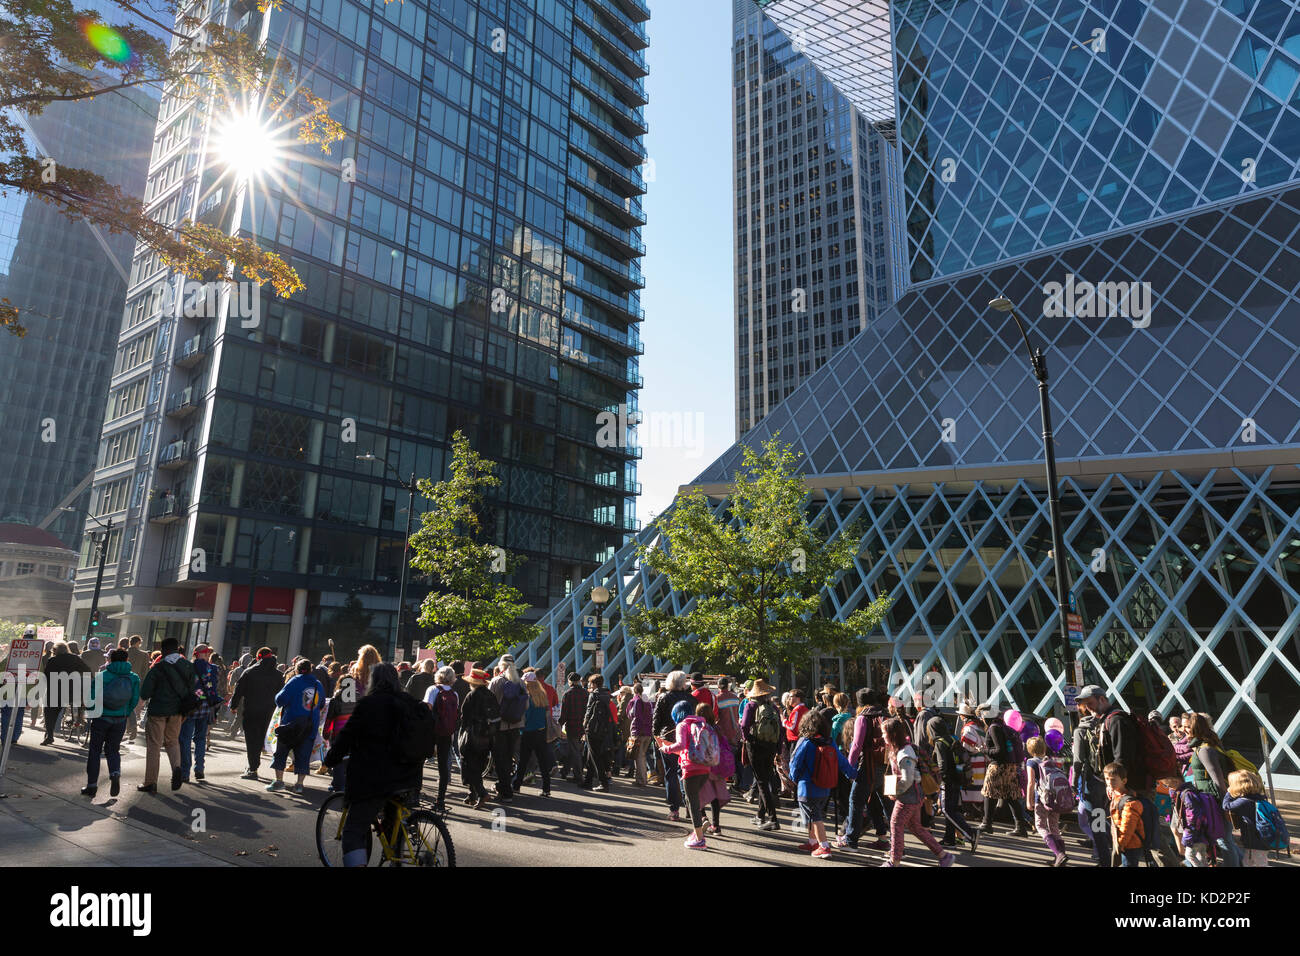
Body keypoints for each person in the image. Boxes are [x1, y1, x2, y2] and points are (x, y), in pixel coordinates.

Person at [321, 663, 425, 867]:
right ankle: (398, 858)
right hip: (409, 775)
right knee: (393, 821)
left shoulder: (369, 704)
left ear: (373, 680)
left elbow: (347, 736)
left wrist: (331, 759)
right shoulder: (410, 702)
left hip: (374, 777)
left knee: (354, 828)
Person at [881, 716, 955, 867]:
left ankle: (893, 862)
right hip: (914, 795)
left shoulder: (904, 753)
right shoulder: (901, 749)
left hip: (908, 797)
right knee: (916, 828)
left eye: (884, 733)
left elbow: (907, 780)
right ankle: (943, 856)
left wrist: (895, 791)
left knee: (895, 824)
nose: (882, 736)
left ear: (892, 734)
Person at [790, 708, 857, 859]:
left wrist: (793, 778)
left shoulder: (806, 741)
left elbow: (795, 763)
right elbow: (842, 762)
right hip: (825, 786)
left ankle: (824, 846)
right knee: (813, 814)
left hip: (807, 786)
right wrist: (853, 775)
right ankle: (813, 842)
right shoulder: (829, 741)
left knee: (814, 817)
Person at [136, 637, 195, 793]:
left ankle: (150, 782)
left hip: (158, 711)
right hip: (178, 712)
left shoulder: (158, 667)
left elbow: (146, 692)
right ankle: (176, 767)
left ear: (163, 650)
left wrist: (137, 709)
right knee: (173, 742)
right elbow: (195, 689)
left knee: (154, 746)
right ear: (177, 649)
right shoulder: (189, 666)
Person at [658, 699, 718, 850]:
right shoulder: (700, 724)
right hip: (705, 768)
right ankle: (697, 832)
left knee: (692, 804)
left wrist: (665, 749)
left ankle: (699, 839)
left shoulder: (682, 725)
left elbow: (680, 745)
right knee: (695, 802)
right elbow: (687, 749)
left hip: (691, 769)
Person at [81, 648, 140, 798]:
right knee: (113, 750)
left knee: (95, 750)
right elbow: (134, 700)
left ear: (110, 660)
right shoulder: (134, 678)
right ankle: (115, 773)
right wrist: (125, 712)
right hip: (120, 719)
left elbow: (91, 698)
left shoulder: (102, 676)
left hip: (101, 717)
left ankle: (92, 786)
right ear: (127, 660)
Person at [841, 689, 891, 849]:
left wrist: (849, 766)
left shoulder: (863, 718)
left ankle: (850, 840)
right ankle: (890, 841)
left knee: (855, 800)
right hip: (888, 766)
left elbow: (856, 745)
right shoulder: (886, 715)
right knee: (882, 804)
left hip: (869, 766)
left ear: (859, 703)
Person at [267, 659, 325, 793]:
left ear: (297, 669)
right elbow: (321, 704)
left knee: (281, 754)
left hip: (290, 725)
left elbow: (280, 700)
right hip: (309, 726)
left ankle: (279, 782)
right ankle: (299, 784)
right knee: (303, 756)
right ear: (311, 670)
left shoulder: (294, 681)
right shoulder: (318, 685)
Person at [229, 647, 282, 780]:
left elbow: (238, 690)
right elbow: (282, 693)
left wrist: (233, 705)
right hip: (269, 712)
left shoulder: (249, 672)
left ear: (258, 657)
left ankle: (253, 768)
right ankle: (255, 765)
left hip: (251, 710)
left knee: (251, 739)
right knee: (260, 738)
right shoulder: (277, 674)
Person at [929, 714, 978, 853]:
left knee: (947, 810)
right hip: (957, 779)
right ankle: (949, 839)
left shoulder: (939, 742)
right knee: (952, 810)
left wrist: (941, 781)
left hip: (948, 781)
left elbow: (942, 765)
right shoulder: (952, 738)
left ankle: (971, 833)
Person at [1073, 699, 1112, 866]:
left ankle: (1103, 857)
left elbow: (1078, 760)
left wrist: (1074, 781)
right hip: (1106, 779)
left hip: (1091, 781)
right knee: (1103, 818)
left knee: (1096, 822)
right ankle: (1107, 851)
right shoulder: (1105, 724)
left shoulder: (1080, 730)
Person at [979, 707, 1030, 836]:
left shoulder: (994, 728)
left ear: (986, 717)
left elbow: (999, 750)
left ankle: (987, 824)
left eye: (981, 717)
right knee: (1011, 796)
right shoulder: (1005, 727)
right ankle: (1020, 827)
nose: (981, 719)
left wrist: (983, 750)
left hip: (998, 767)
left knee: (989, 794)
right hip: (1011, 767)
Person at [740, 678, 782, 831]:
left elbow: (744, 725)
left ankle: (773, 819)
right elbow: (780, 728)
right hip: (770, 746)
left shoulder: (750, 705)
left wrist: (747, 739)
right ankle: (760, 815)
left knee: (762, 781)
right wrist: (778, 749)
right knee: (763, 779)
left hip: (755, 745)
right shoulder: (773, 707)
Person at [652, 670, 695, 821]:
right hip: (687, 740)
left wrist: (656, 738)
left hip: (668, 739)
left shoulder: (663, 697)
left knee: (670, 774)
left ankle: (674, 809)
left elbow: (656, 722)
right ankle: (690, 807)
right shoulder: (690, 698)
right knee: (684, 773)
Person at [178, 643, 220, 783]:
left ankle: (185, 772)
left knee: (185, 739)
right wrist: (206, 697)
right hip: (206, 707)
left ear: (195, 653)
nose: (207, 655)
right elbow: (213, 688)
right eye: (206, 653)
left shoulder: (188, 667)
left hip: (191, 706)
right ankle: (199, 767)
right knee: (200, 738)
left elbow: (186, 687)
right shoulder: (213, 668)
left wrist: (197, 695)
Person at [458, 666, 499, 809]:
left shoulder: (472, 695)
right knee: (479, 766)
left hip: (472, 737)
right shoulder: (491, 695)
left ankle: (482, 794)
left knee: (470, 767)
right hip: (487, 738)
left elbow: (464, 716)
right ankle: (472, 795)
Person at [1025, 735, 1069, 865]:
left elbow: (1031, 783)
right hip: (1055, 798)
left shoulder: (1031, 762)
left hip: (1042, 799)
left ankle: (1059, 854)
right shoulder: (1051, 761)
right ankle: (1061, 856)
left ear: (1030, 750)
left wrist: (1029, 800)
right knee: (1054, 827)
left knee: (1040, 826)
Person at [489, 654, 527, 800]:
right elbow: (526, 705)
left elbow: (489, 704)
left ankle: (506, 791)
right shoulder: (521, 683)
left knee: (500, 759)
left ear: (501, 666)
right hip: (516, 725)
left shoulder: (496, 681)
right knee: (509, 757)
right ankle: (504, 785)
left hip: (499, 725)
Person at [422, 665, 459, 811]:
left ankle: (414, 794)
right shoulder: (455, 694)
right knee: (443, 767)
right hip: (446, 733)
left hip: (431, 732)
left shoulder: (432, 689)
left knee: (419, 761)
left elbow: (427, 708)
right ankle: (440, 800)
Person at [512, 671, 554, 797]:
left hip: (528, 732)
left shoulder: (528, 698)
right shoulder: (542, 695)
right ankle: (546, 789)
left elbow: (525, 717)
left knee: (523, 762)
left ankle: (517, 786)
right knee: (543, 762)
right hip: (540, 732)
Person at [41, 641, 90, 744]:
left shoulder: (52, 660)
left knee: (49, 712)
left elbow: (46, 676)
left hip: (55, 691)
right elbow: (87, 670)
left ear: (55, 650)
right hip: (72, 692)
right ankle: (78, 720)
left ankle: (49, 735)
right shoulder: (75, 658)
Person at [1223, 770, 1273, 867]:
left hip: (1254, 842)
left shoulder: (1244, 801)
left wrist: (1228, 792)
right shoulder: (1260, 797)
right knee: (1248, 862)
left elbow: (1226, 806)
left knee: (1258, 863)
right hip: (1262, 839)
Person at [1104, 762, 1145, 867]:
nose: (1109, 782)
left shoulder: (1130, 804)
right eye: (1107, 779)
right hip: (1122, 842)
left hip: (1130, 845)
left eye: (1113, 780)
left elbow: (1127, 828)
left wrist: (1120, 845)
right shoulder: (1115, 793)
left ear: (1124, 781)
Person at [323, 671, 358, 793]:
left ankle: (338, 785)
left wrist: (326, 733)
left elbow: (330, 719)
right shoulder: (359, 698)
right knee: (350, 760)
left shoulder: (336, 699)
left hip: (339, 733)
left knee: (338, 758)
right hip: (355, 733)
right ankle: (348, 784)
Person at [582, 673, 616, 791]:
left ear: (594, 684)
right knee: (591, 755)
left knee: (595, 756)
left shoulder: (594, 695)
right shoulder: (606, 696)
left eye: (591, 683)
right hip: (602, 729)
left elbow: (588, 711)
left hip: (592, 729)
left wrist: (584, 725)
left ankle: (603, 783)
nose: (590, 685)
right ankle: (588, 781)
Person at [559, 673, 588, 782]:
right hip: (583, 726)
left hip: (572, 726)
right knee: (574, 749)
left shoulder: (568, 694)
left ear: (569, 681)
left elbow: (564, 712)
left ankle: (578, 775)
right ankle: (565, 771)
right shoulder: (585, 693)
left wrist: (560, 724)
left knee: (574, 750)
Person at [624, 681, 653, 786]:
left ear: (634, 691)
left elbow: (632, 715)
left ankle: (641, 780)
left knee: (639, 757)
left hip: (639, 731)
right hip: (648, 732)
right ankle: (642, 779)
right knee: (643, 756)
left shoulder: (635, 701)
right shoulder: (648, 701)